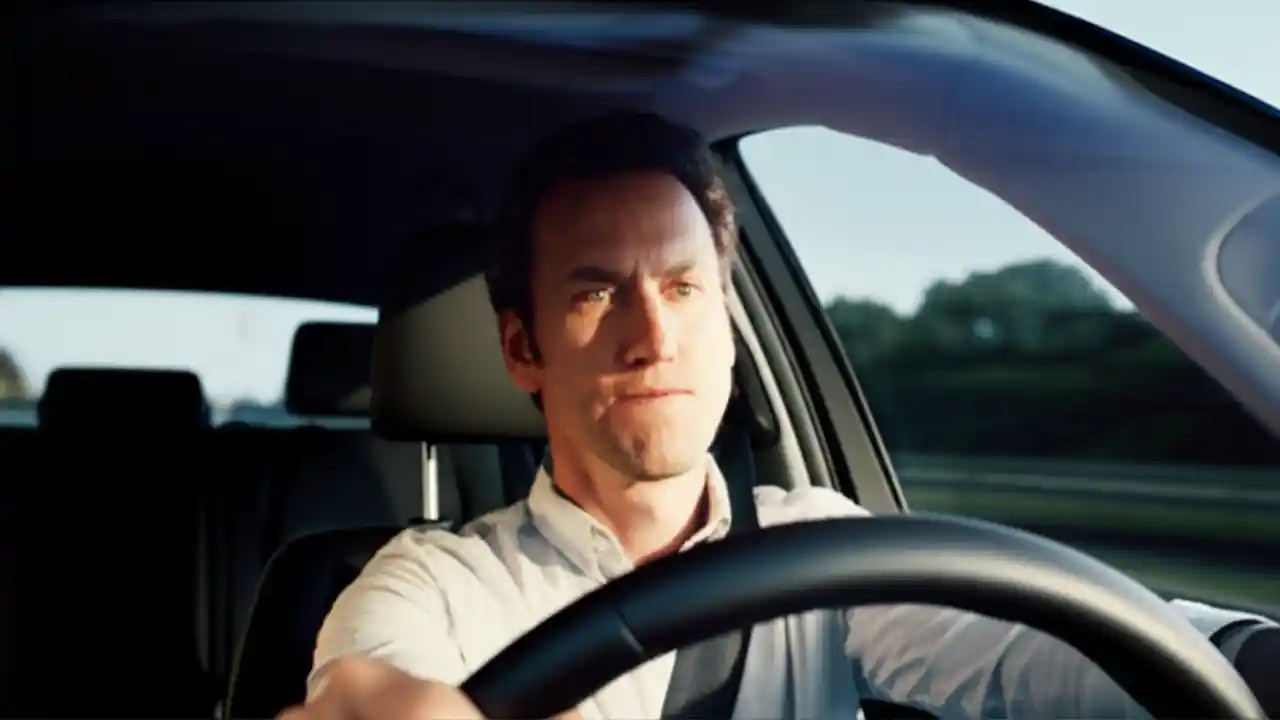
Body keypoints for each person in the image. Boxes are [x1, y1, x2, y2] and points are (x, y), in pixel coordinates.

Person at [280, 111, 1276, 720]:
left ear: (727, 328)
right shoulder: (438, 581)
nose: (649, 337)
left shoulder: (829, 557)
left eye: (681, 288)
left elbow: (1044, 655)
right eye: (593, 294)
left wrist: (1246, 664)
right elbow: (371, 681)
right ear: (520, 349)